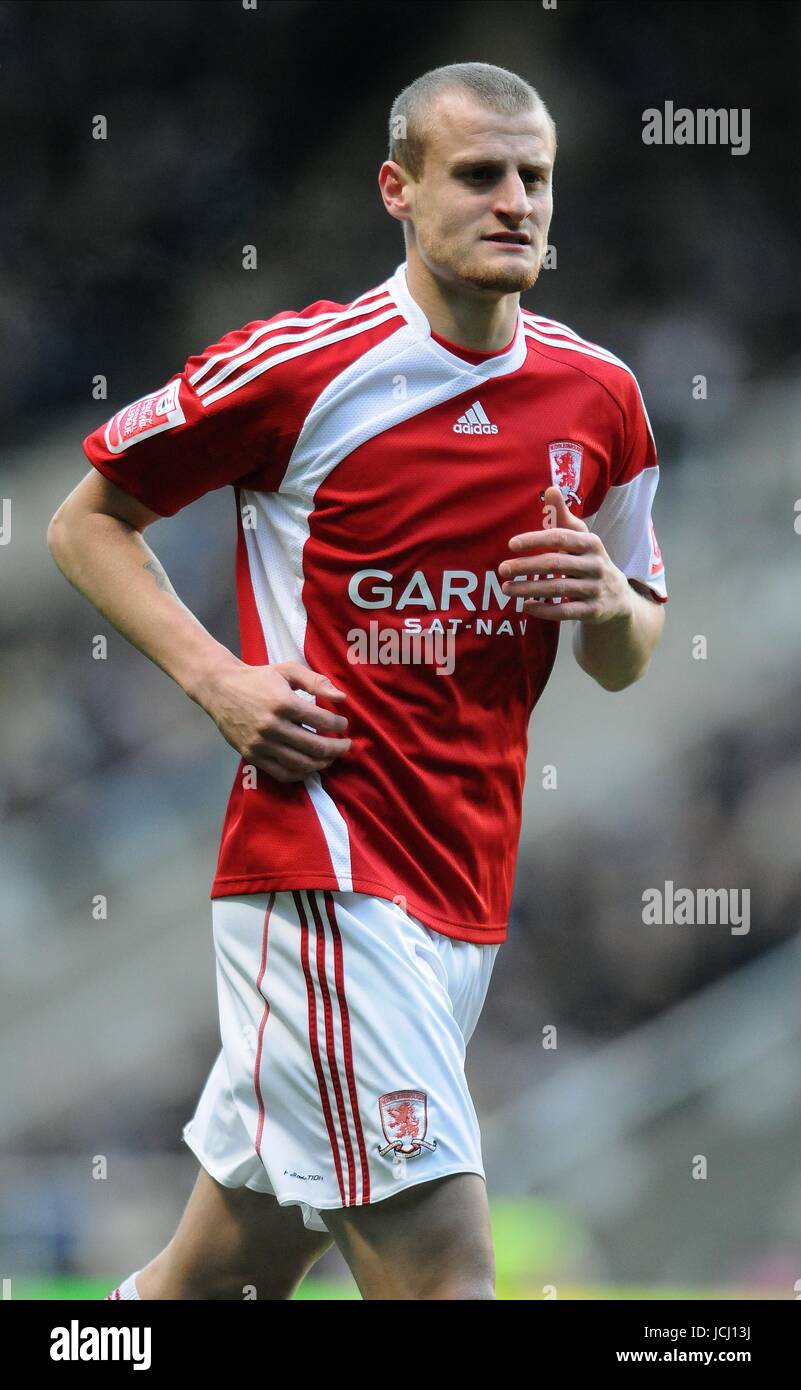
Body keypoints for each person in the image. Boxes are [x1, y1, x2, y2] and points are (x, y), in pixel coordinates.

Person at [48, 61, 667, 1301]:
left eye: (533, 178)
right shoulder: (301, 367)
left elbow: (630, 647)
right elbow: (84, 523)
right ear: (398, 189)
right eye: (478, 175)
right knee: (449, 1277)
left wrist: (606, 601)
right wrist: (217, 680)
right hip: (323, 874)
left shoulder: (600, 398)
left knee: (208, 1289)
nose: (514, 203)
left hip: (462, 894)